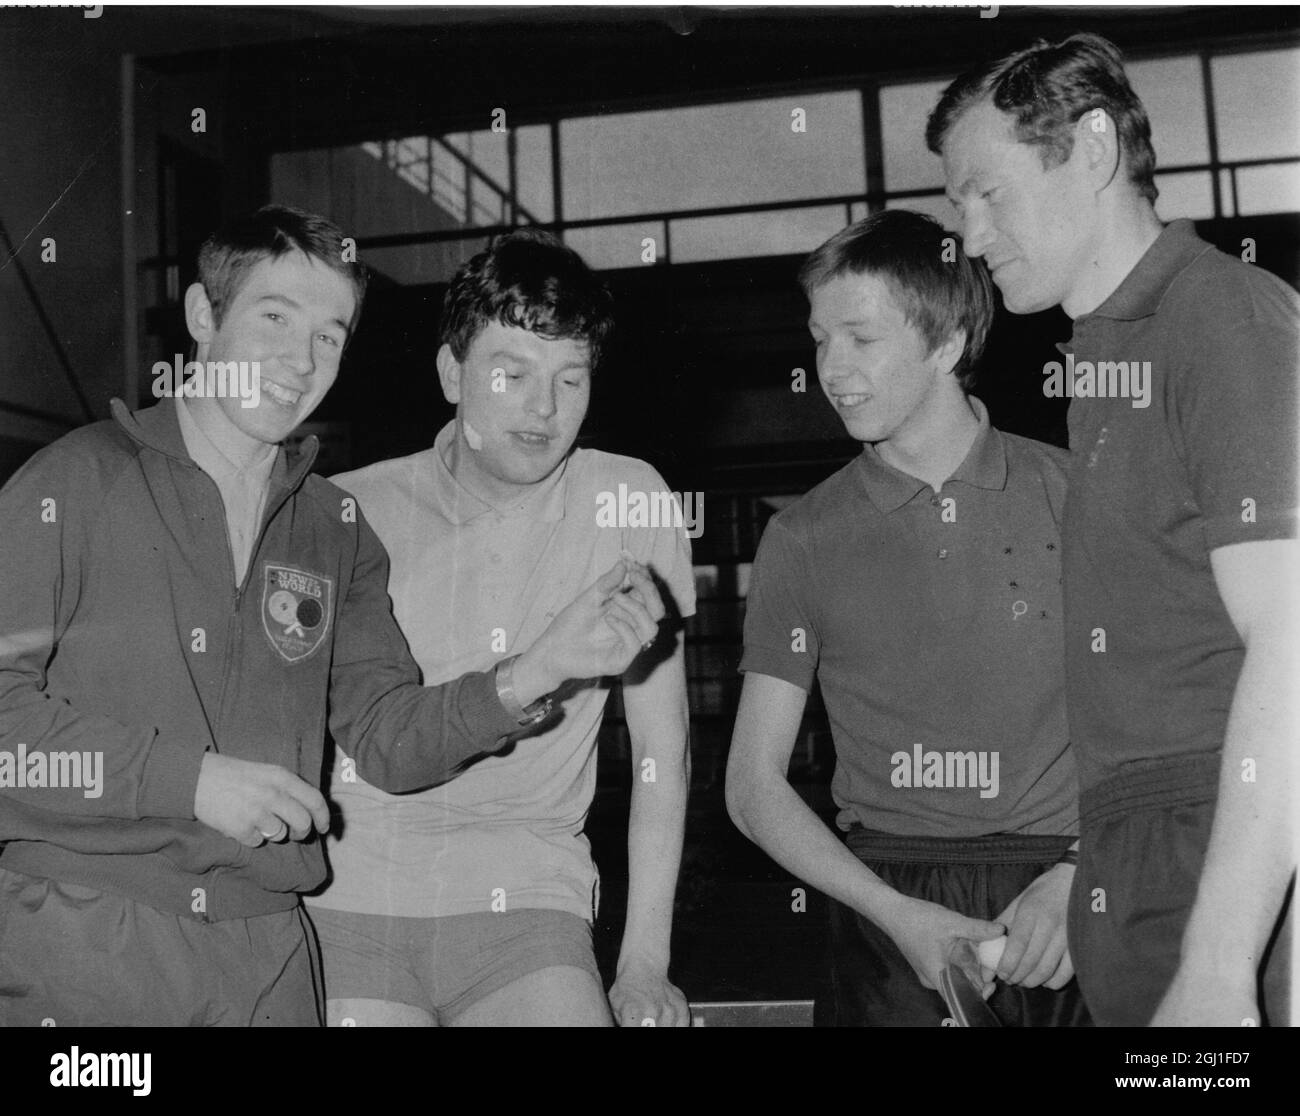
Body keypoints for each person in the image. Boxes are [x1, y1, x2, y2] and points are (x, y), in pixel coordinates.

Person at [0, 205, 665, 1026]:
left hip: (272, 953)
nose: (300, 357)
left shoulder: (333, 528)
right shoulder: (76, 482)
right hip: (90, 936)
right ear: (204, 318)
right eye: (275, 316)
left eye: (330, 334)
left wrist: (537, 669)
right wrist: (189, 780)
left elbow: (388, 742)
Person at [928, 31, 1297, 1027]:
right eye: (953, 201)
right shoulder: (1100, 363)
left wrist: (1219, 965)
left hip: (1226, 870)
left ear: (1092, 151)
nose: (964, 231)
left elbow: (1292, 647)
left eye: (985, 190)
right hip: (1138, 854)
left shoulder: (1224, 321)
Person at [306, 229, 694, 1027]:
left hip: (529, 897)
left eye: (570, 379)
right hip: (355, 889)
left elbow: (663, 754)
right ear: (452, 373)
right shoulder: (347, 508)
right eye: (512, 373)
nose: (544, 410)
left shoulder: (630, 500)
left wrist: (645, 963)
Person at [725, 208, 1089, 1027]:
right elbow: (751, 786)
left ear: (948, 343)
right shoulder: (804, 537)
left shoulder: (1081, 497)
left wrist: (1083, 871)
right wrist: (894, 915)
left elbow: (1162, 722)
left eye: (860, 337)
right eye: (820, 338)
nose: (830, 367)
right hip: (889, 896)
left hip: (1066, 882)